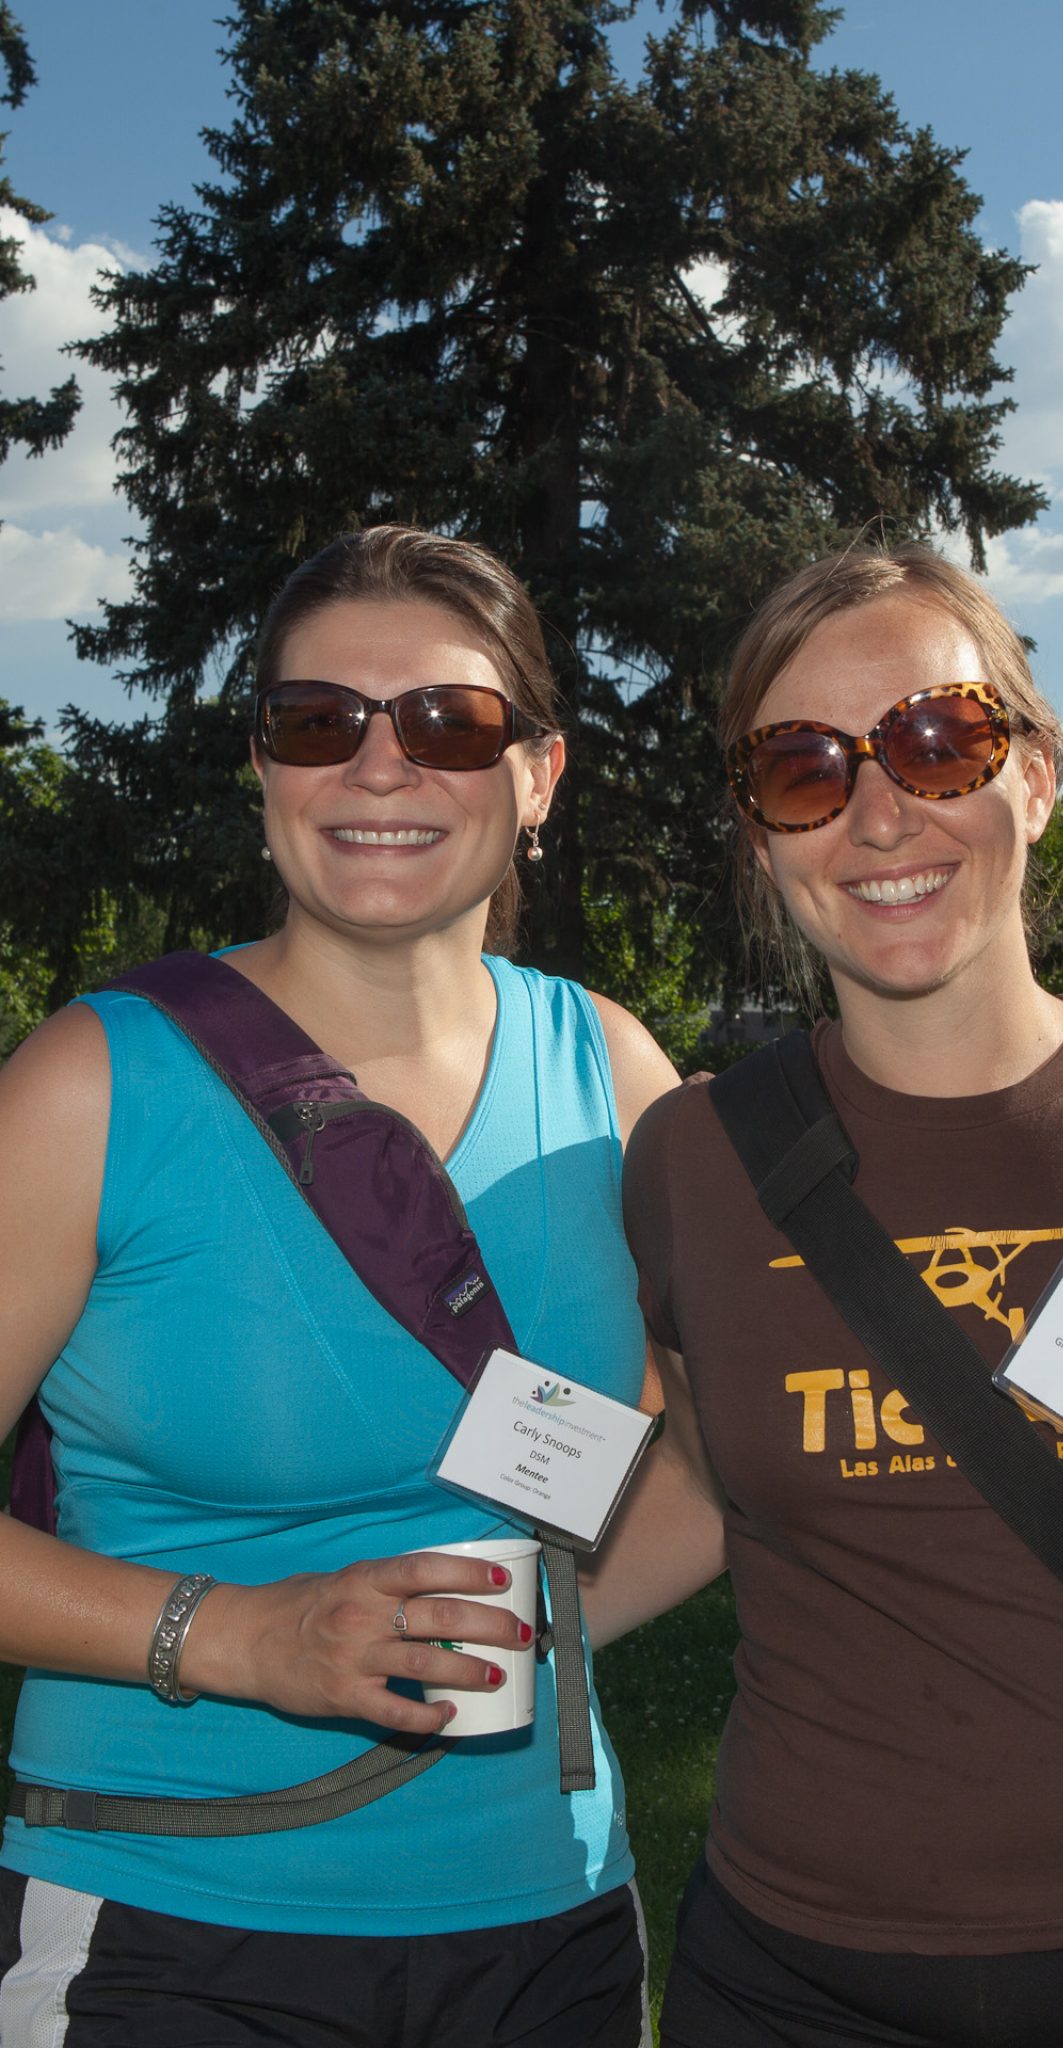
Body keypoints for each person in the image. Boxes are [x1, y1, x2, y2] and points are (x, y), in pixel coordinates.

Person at [621, 542, 1063, 2047]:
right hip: (798, 1987)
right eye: (807, 767)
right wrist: (420, 1617)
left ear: (1034, 775)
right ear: (762, 835)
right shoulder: (694, 1157)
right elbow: (706, 1483)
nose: (881, 813)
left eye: (938, 741)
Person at [0, 526, 690, 2045]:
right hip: (171, 1921)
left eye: (449, 722)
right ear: (264, 770)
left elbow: (706, 1464)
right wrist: (239, 1638)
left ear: (540, 778)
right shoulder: (94, 1086)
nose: (382, 769)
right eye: (321, 721)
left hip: (551, 1922)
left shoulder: (612, 1072)